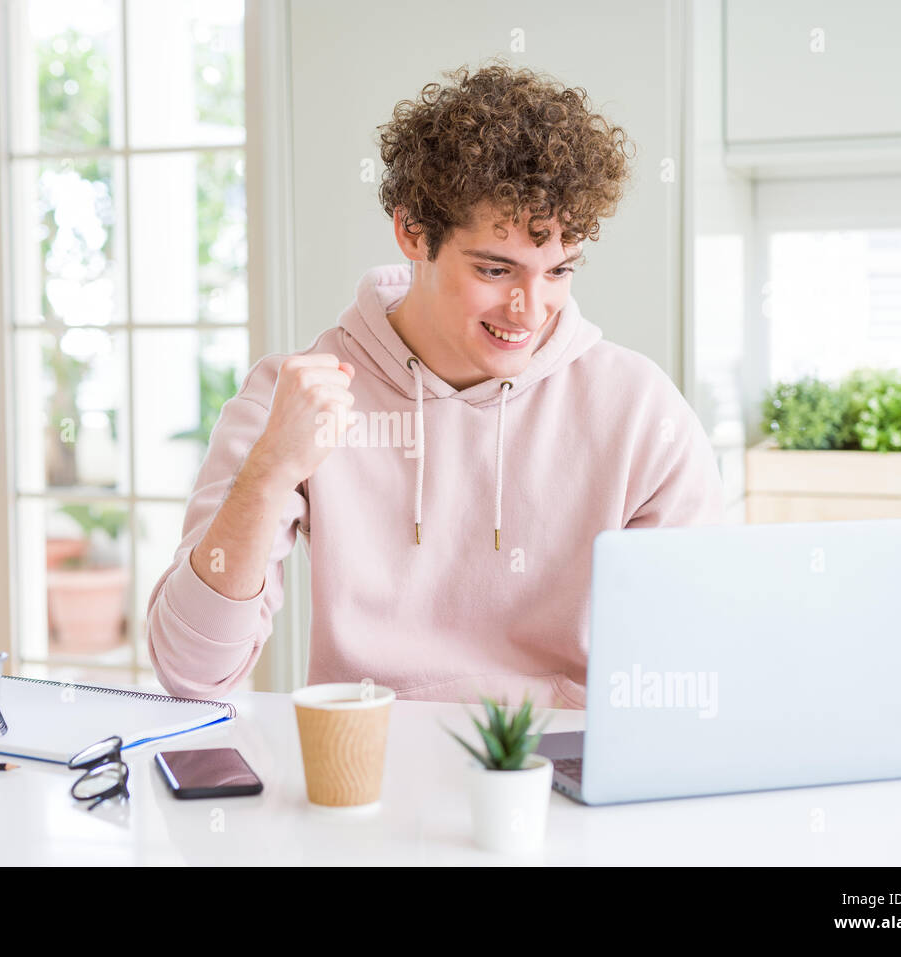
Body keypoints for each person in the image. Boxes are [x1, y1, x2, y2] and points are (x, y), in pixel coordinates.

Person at [145, 60, 724, 708]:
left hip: (564, 781)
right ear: (413, 233)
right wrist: (269, 469)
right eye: (496, 268)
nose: (529, 310)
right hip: (367, 773)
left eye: (558, 271)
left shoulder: (641, 412)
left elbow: (687, 673)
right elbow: (191, 672)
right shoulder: (298, 394)